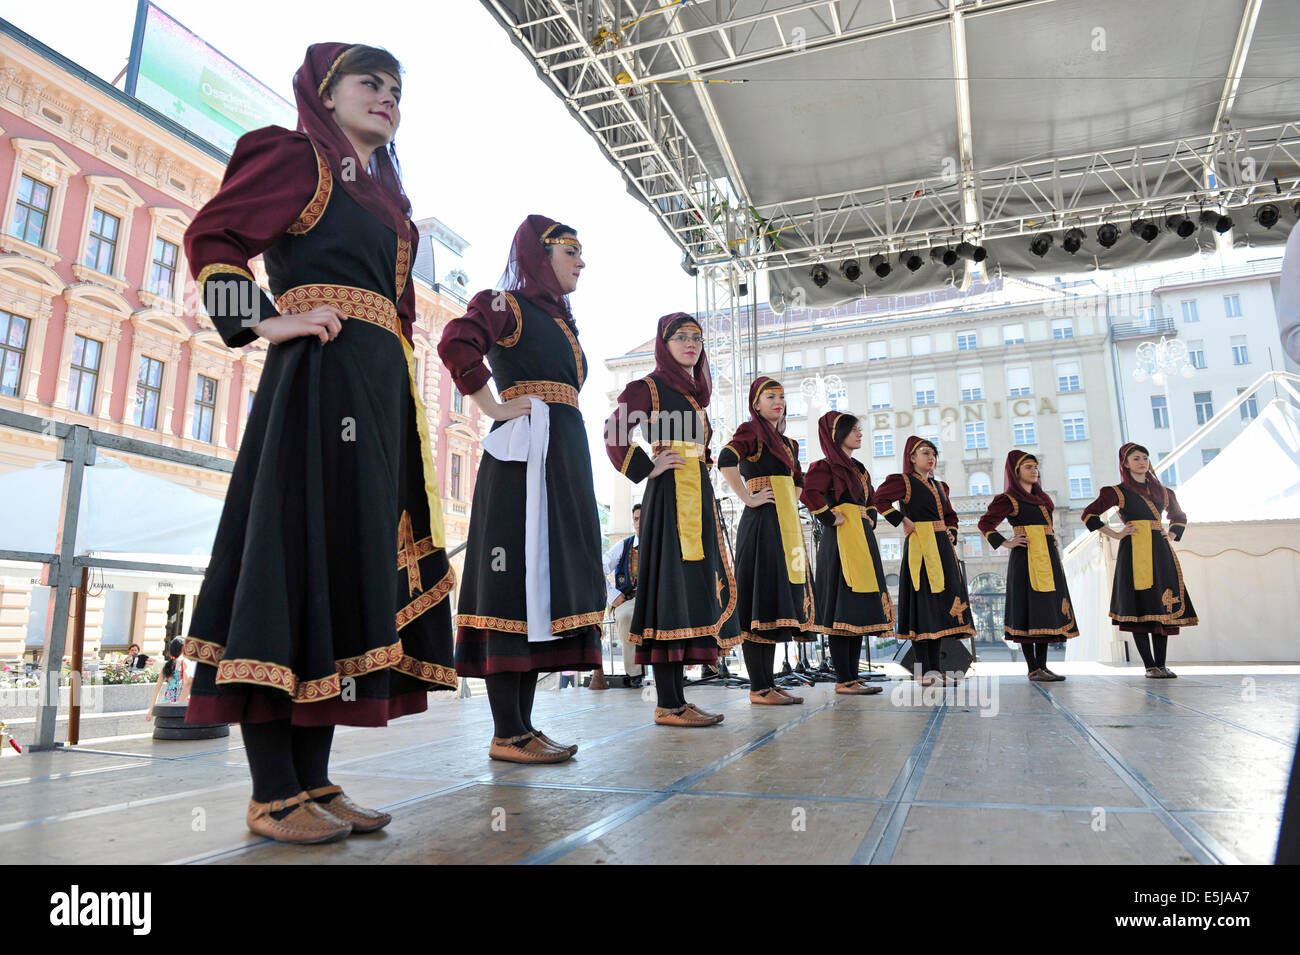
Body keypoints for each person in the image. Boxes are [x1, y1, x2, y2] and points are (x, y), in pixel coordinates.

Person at [182, 43, 456, 845]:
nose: (388, 97)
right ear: (325, 93)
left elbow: (398, 315)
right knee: (291, 561)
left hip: (377, 401)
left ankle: (313, 781)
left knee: (339, 569)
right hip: (316, 388)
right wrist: (265, 318)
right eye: (370, 83)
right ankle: (272, 794)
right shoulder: (293, 155)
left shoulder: (390, 203)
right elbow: (214, 235)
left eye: (397, 88)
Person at [437, 215, 606, 764]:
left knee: (543, 585)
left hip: (561, 457)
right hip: (524, 461)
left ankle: (522, 728)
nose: (581, 262)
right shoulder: (506, 304)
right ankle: (507, 731)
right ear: (541, 254)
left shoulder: (559, 318)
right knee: (515, 582)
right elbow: (457, 341)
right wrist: (492, 406)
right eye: (571, 251)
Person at [605, 312, 740, 727]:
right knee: (669, 590)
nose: (691, 344)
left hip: (698, 495)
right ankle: (667, 702)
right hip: (669, 499)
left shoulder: (699, 394)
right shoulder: (649, 386)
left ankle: (677, 698)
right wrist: (646, 468)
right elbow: (614, 432)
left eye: (697, 338)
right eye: (681, 337)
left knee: (691, 589)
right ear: (664, 343)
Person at [718, 377, 815, 705]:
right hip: (761, 525)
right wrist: (748, 497)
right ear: (755, 403)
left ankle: (768, 684)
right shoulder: (751, 431)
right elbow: (725, 460)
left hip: (786, 525)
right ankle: (758, 686)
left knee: (773, 601)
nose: (778, 402)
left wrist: (790, 498)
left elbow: (799, 480)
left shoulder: (789, 444)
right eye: (770, 396)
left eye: (782, 397)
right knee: (758, 598)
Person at [1082, 443, 1197, 678]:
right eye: (1136, 458)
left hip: (1160, 551)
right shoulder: (1116, 491)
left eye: (1145, 457)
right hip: (1134, 551)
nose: (1142, 462)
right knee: (1140, 606)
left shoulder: (1164, 492)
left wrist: (1172, 534)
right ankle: (1149, 666)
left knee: (1160, 605)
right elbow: (1089, 514)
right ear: (1125, 463)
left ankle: (1161, 664)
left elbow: (1179, 517)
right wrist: (1116, 533)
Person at [873, 436, 975, 686]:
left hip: (942, 548)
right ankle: (923, 673)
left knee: (940, 608)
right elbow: (879, 499)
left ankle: (936, 670)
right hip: (920, 546)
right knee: (924, 606)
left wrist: (952, 530)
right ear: (911, 457)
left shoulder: (941, 486)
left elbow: (950, 515)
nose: (931, 458)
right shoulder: (903, 482)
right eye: (925, 453)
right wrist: (901, 519)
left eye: (933, 454)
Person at [800, 412, 890, 695]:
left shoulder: (859, 468)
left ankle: (852, 675)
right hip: (840, 541)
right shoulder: (825, 466)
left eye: (860, 430)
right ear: (837, 433)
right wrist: (828, 517)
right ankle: (844, 679)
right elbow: (808, 493)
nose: (860, 434)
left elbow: (871, 498)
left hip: (861, 538)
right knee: (843, 606)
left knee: (857, 609)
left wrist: (871, 516)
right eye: (854, 430)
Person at [978, 451, 1079, 682]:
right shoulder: (1009, 499)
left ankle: (1042, 666)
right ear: (1016, 472)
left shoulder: (1043, 499)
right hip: (1025, 559)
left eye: (1035, 466)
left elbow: (1047, 526)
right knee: (1027, 610)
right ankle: (1033, 667)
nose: (1034, 470)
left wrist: (1051, 538)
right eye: (1028, 467)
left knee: (1045, 610)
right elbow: (985, 523)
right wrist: (1007, 542)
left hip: (1048, 558)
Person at [601, 503, 644, 688]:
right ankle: (635, 673)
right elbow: (599, 567)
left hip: (659, 598)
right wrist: (612, 595)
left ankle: (674, 671)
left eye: (643, 517)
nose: (639, 522)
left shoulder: (663, 543)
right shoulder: (624, 546)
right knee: (625, 615)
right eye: (636, 519)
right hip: (631, 598)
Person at [145, 637, 190, 721]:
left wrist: (151, 710)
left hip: (166, 703)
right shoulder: (185, 663)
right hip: (181, 705)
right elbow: (188, 686)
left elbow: (157, 688)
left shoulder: (167, 665)